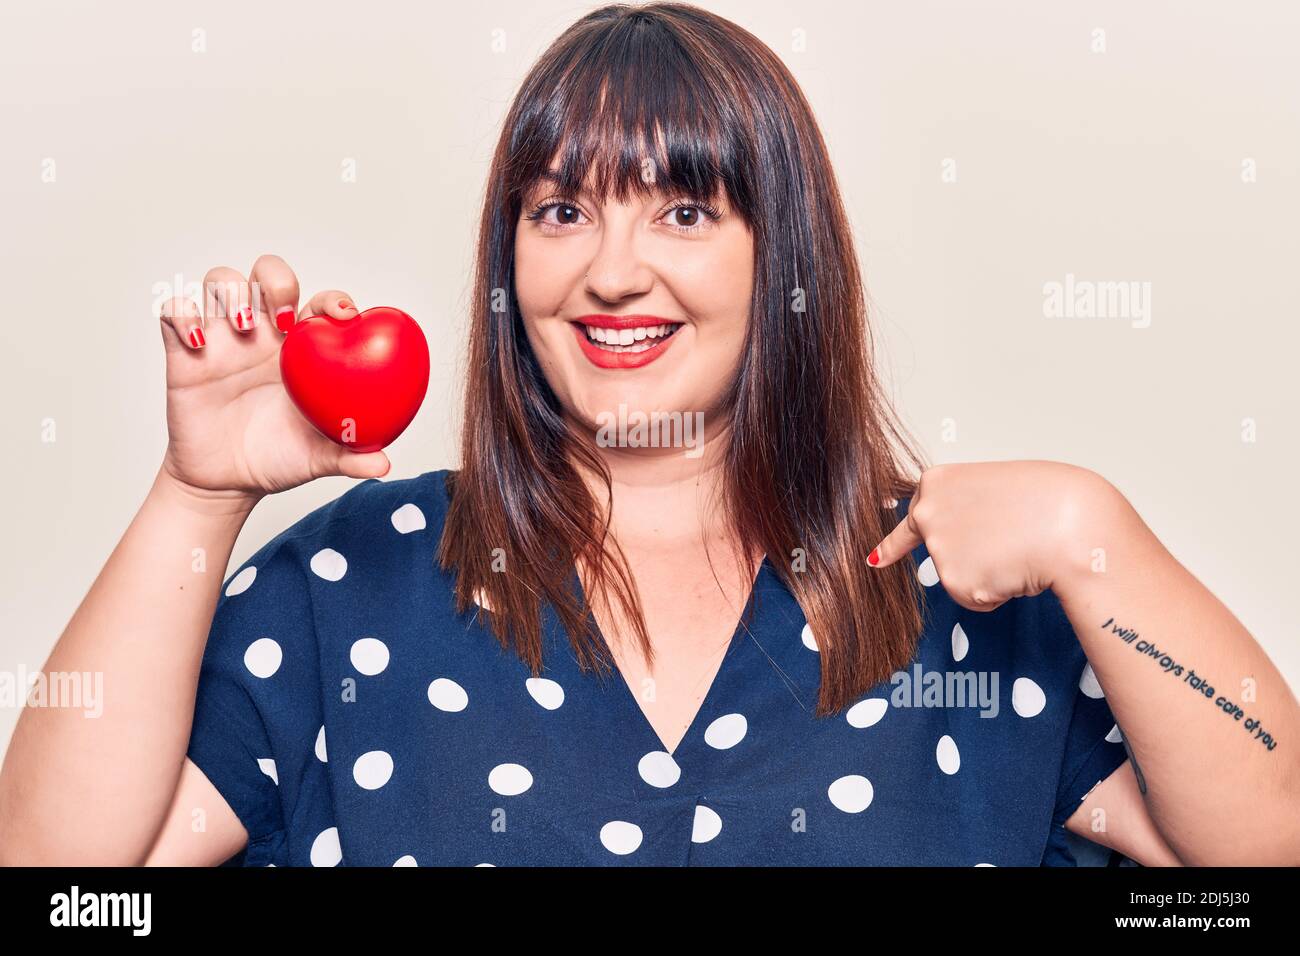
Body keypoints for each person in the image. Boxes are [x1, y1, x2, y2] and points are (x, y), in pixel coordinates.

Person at [0, 2, 1294, 867]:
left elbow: (1259, 853)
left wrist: (1096, 536)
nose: (612, 269)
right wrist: (193, 494)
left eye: (681, 213)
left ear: (780, 253)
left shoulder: (957, 581)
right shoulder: (355, 577)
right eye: (561, 212)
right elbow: (60, 881)